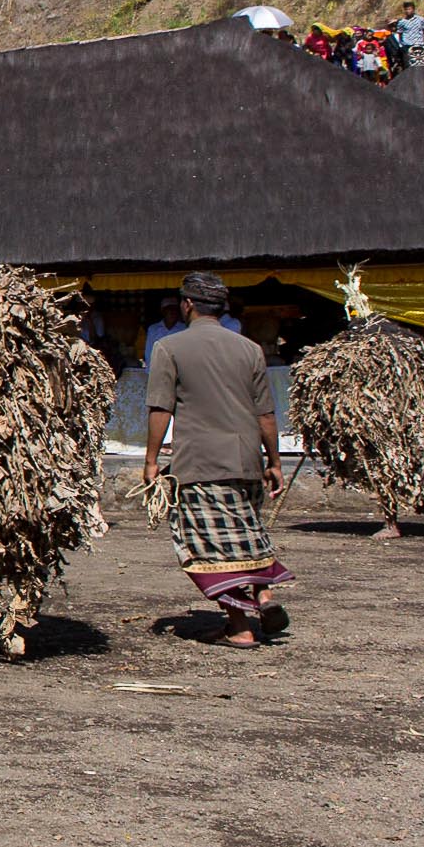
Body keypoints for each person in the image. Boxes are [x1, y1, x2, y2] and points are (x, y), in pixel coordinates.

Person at [140, 273, 292, 646]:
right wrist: (274, 462)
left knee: (206, 546)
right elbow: (266, 414)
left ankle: (240, 627)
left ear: (187, 305)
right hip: (246, 459)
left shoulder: (168, 347)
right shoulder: (250, 349)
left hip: (200, 462)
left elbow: (161, 408)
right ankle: (264, 595)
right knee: (247, 531)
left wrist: (151, 460)